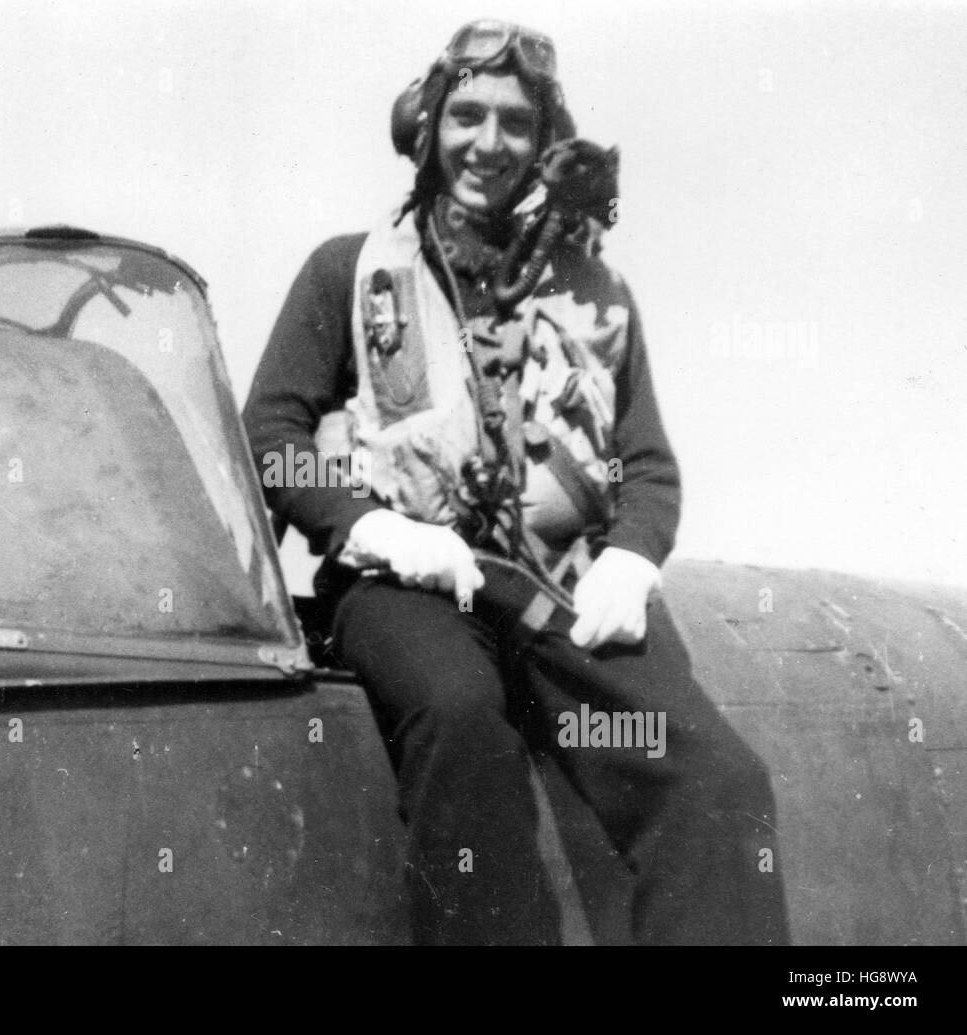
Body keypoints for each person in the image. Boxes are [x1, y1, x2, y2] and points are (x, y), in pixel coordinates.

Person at [243, 19, 789, 945]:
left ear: (544, 143)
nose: (486, 145)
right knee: (458, 722)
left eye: (512, 123)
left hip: (556, 595)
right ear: (425, 127)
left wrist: (631, 556)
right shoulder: (347, 272)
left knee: (718, 780)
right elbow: (272, 435)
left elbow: (646, 464)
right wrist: (373, 530)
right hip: (410, 587)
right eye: (465, 116)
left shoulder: (597, 296)